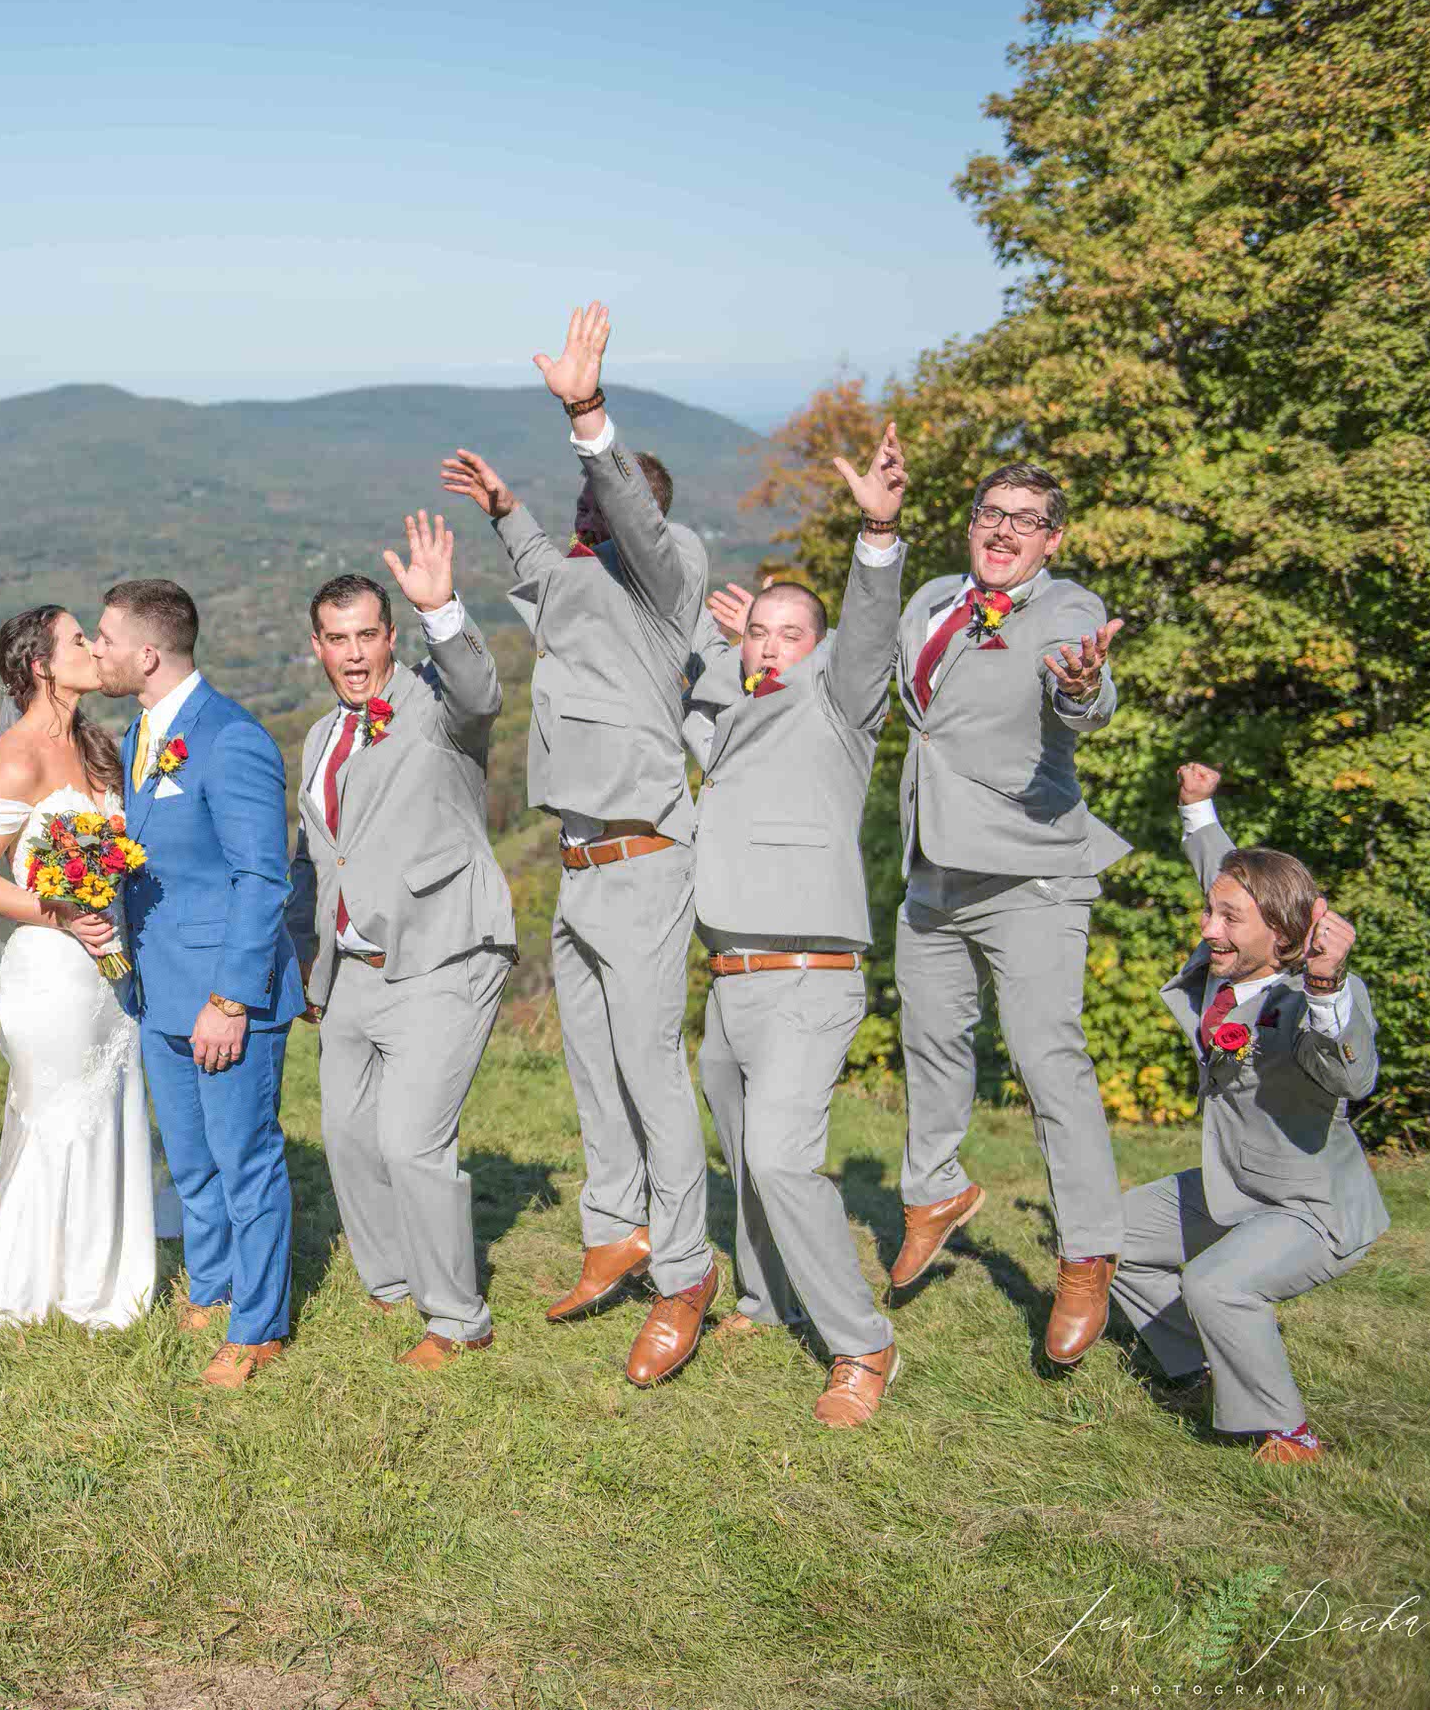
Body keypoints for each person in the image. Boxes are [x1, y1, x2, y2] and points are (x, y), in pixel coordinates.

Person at [439, 302, 713, 1381]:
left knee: (650, 1069)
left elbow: (627, 526)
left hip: (646, 854)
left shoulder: (665, 576)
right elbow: (546, 565)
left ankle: (684, 1268)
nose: (588, 520)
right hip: (586, 860)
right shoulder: (583, 582)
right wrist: (508, 506)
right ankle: (616, 1227)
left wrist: (587, 414)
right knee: (593, 1063)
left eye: (605, 505)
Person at [881, 445, 1130, 1364]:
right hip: (933, 867)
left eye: (1026, 520)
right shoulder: (934, 599)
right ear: (972, 521)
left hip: (1029, 874)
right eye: (992, 512)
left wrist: (1082, 683)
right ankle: (932, 1191)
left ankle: (1086, 1254)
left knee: (1044, 1055)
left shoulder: (1066, 609)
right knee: (931, 1041)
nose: (1003, 530)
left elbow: (1083, 689)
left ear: (1051, 539)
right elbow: (882, 678)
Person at [681, 426, 909, 1423]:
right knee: (742, 1152)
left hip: (810, 975)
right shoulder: (733, 711)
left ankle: (863, 1345)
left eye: (789, 631)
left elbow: (865, 634)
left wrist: (878, 528)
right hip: (729, 979)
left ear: (817, 648)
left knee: (779, 1155)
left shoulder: (841, 706)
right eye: (757, 631)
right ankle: (764, 1296)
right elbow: (690, 694)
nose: (770, 644)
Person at [284, 515, 513, 1369]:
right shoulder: (318, 736)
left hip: (443, 955)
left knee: (414, 1139)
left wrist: (443, 608)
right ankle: (389, 1282)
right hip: (351, 971)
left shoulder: (434, 710)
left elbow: (481, 690)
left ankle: (457, 1316)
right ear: (317, 645)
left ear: (390, 637)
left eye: (368, 636)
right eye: (337, 639)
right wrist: (314, 969)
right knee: (348, 1136)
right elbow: (318, 855)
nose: (353, 654)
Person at [1109, 764, 1385, 1463]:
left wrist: (1327, 982)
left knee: (1215, 1283)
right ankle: (1196, 1367)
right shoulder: (1229, 950)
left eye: (1228, 919)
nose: (1209, 928)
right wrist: (1198, 808)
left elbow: (1351, 1071)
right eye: (1211, 911)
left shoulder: (1311, 998)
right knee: (1103, 1237)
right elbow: (1228, 877)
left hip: (1308, 1207)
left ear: (1285, 931)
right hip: (1230, 1183)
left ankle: (1289, 1433)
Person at [0, 605, 155, 1331]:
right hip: (50, 968)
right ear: (42, 664)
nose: (93, 647)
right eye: (80, 639)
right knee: (61, 1113)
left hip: (105, 966)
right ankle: (37, 1275)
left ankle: (101, 1265)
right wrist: (59, 911)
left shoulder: (94, 743)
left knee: (108, 1100)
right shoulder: (17, 754)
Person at [94, 579, 306, 1388]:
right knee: (191, 1160)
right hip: (158, 991)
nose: (98, 651)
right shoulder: (137, 734)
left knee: (245, 1157)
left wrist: (230, 1000)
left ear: (147, 653)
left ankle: (258, 1326)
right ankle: (214, 1287)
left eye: (107, 638)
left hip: (225, 996)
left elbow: (260, 879)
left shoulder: (232, 740)